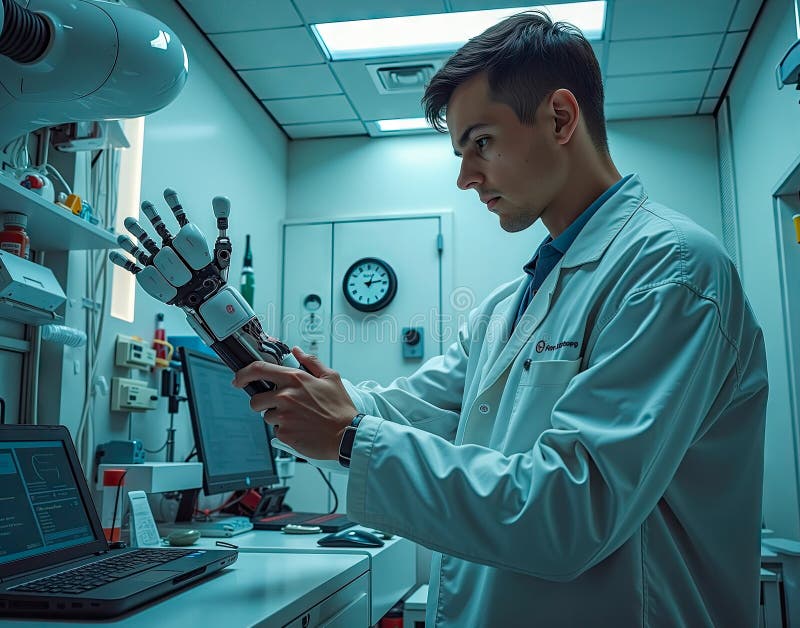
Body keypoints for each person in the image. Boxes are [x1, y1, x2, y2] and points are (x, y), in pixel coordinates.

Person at [233, 11, 768, 627]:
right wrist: (305, 395)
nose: (465, 177)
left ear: (560, 119)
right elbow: (415, 410)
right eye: (461, 151)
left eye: (481, 142)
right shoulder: (507, 307)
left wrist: (350, 436)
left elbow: (571, 509)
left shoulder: (669, 270)